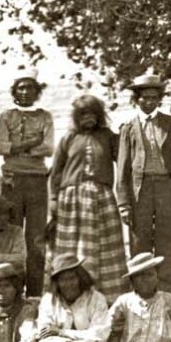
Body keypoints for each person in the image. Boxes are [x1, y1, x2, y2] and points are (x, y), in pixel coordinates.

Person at [115, 69, 171, 293]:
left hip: (167, 188)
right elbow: (122, 170)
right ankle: (141, 293)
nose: (149, 102)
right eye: (144, 98)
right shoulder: (128, 127)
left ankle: (167, 294)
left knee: (167, 240)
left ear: (159, 99)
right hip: (140, 191)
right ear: (136, 99)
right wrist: (124, 204)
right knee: (140, 241)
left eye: (154, 98)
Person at [47, 93, 127, 294]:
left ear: (99, 115)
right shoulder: (69, 138)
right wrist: (53, 199)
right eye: (83, 114)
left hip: (101, 198)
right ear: (77, 117)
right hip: (71, 200)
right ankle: (70, 292)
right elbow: (56, 172)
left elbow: (124, 159)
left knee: (104, 247)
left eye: (92, 114)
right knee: (72, 248)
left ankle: (105, 294)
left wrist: (124, 137)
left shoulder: (108, 136)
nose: (88, 118)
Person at [0, 71, 55, 296]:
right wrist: (31, 143)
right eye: (21, 87)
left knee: (36, 239)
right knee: (12, 236)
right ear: (14, 91)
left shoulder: (45, 117)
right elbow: (0, 147)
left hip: (37, 180)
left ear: (36, 91)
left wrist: (17, 148)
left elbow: (48, 148)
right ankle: (12, 293)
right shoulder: (6, 116)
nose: (25, 91)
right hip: (12, 180)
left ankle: (35, 294)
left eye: (30, 87)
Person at [32, 254, 113, 342]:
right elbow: (45, 335)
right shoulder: (48, 300)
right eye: (63, 280)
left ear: (81, 277)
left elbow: (98, 335)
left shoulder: (96, 298)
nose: (68, 284)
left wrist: (61, 332)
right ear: (56, 283)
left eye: (72, 278)